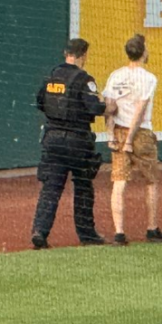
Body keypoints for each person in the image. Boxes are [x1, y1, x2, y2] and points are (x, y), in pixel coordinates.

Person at [31, 38, 110, 250]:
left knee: (51, 188)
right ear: (83, 55)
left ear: (66, 53)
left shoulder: (52, 76)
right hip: (77, 141)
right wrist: (107, 106)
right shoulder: (84, 80)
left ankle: (39, 231)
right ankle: (87, 234)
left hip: (52, 139)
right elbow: (95, 108)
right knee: (83, 186)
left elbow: (40, 101)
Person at [101, 34, 162, 245]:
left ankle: (119, 233)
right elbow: (140, 110)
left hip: (118, 131)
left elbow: (109, 107)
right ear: (143, 52)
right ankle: (151, 228)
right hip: (140, 133)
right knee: (151, 180)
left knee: (119, 181)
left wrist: (110, 135)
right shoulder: (148, 78)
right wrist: (130, 139)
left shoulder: (116, 75)